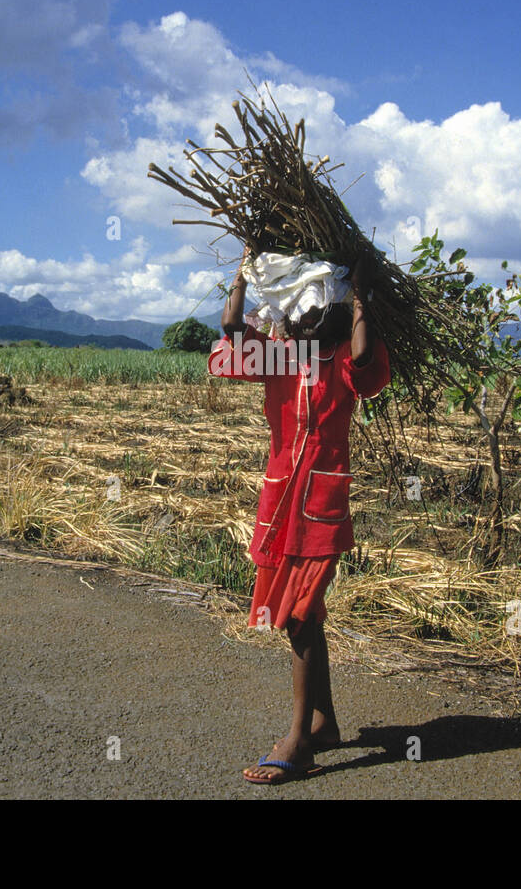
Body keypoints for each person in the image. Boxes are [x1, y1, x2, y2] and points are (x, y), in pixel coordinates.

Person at [208, 246, 391, 784]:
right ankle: (324, 722)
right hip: (278, 505)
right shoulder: (280, 359)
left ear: (332, 313)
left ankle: (298, 743)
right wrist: (243, 272)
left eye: (316, 311)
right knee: (302, 616)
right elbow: (229, 329)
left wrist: (361, 294)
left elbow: (364, 359)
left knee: (298, 615)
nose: (304, 319)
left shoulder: (346, 362)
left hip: (321, 510)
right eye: (297, 312)